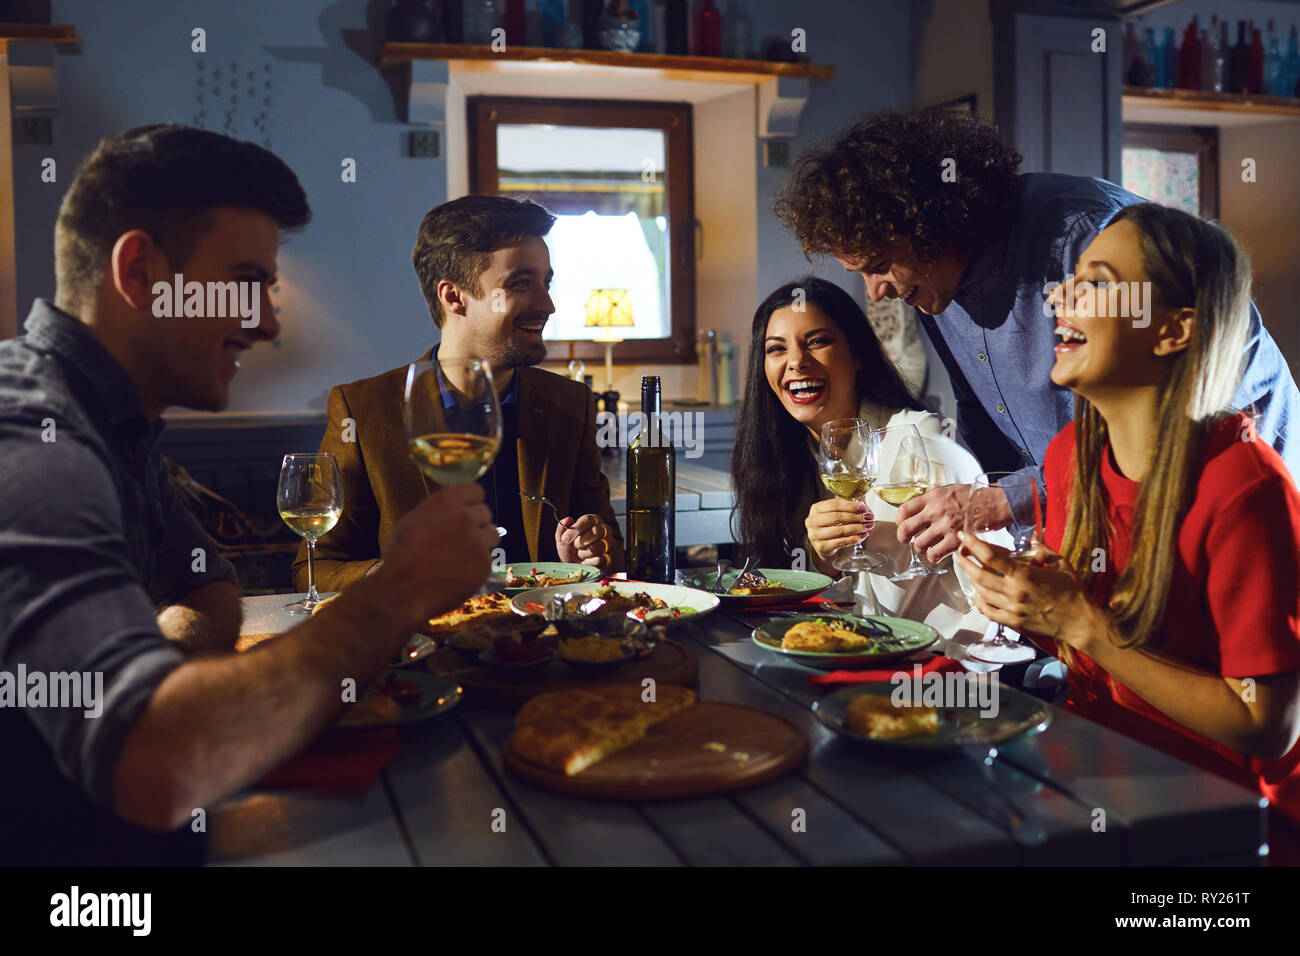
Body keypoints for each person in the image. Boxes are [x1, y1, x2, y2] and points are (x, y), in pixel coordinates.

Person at [0, 126, 498, 865]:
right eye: (245, 281)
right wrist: (399, 591)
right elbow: (157, 766)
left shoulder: (117, 420)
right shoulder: (34, 443)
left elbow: (210, 584)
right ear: (139, 272)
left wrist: (156, 673)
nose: (267, 323)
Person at [774, 104, 1300, 564]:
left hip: (1226, 501)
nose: (877, 292)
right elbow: (986, 432)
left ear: (932, 225)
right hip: (1100, 522)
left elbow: (1179, 418)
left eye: (881, 265)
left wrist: (1010, 500)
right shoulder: (931, 285)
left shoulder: (1086, 237)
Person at [955, 204, 1300, 864]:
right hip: (1097, 788)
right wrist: (1019, 598)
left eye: (1098, 282)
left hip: (1220, 830)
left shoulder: (1245, 490)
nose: (1061, 295)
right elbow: (1080, 633)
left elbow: (1268, 726)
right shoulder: (1069, 455)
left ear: (1173, 330)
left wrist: (1079, 622)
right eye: (1069, 279)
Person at [293, 195, 623, 592]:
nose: (547, 304)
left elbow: (611, 552)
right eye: (521, 284)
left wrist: (587, 555)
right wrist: (393, 574)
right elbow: (315, 568)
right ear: (453, 297)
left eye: (546, 283)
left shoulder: (569, 404)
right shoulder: (361, 410)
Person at [732, 278, 979, 626]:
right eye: (776, 349)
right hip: (862, 650)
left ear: (858, 353)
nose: (797, 362)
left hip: (947, 663)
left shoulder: (920, 436)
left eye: (817, 342)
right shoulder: (783, 458)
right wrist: (821, 559)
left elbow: (991, 567)